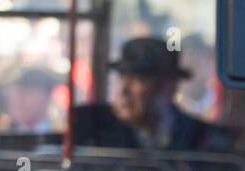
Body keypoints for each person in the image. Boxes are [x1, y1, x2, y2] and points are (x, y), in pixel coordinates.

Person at [72, 38, 235, 155]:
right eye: (122, 76)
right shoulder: (90, 126)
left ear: (168, 86)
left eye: (139, 79)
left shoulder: (202, 139)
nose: (123, 90)